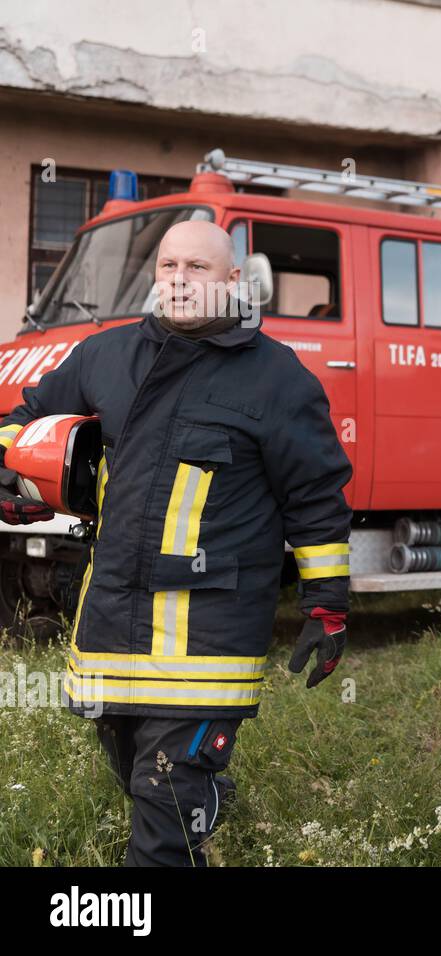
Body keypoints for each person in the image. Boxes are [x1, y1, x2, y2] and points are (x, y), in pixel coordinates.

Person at [0, 219, 353, 865]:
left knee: (162, 799)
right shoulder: (104, 356)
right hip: (110, 620)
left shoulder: (279, 380)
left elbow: (316, 498)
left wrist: (327, 603)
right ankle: (206, 800)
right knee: (132, 767)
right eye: (168, 267)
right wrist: (15, 472)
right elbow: (24, 422)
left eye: (197, 268)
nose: (181, 281)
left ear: (233, 283)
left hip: (210, 633)